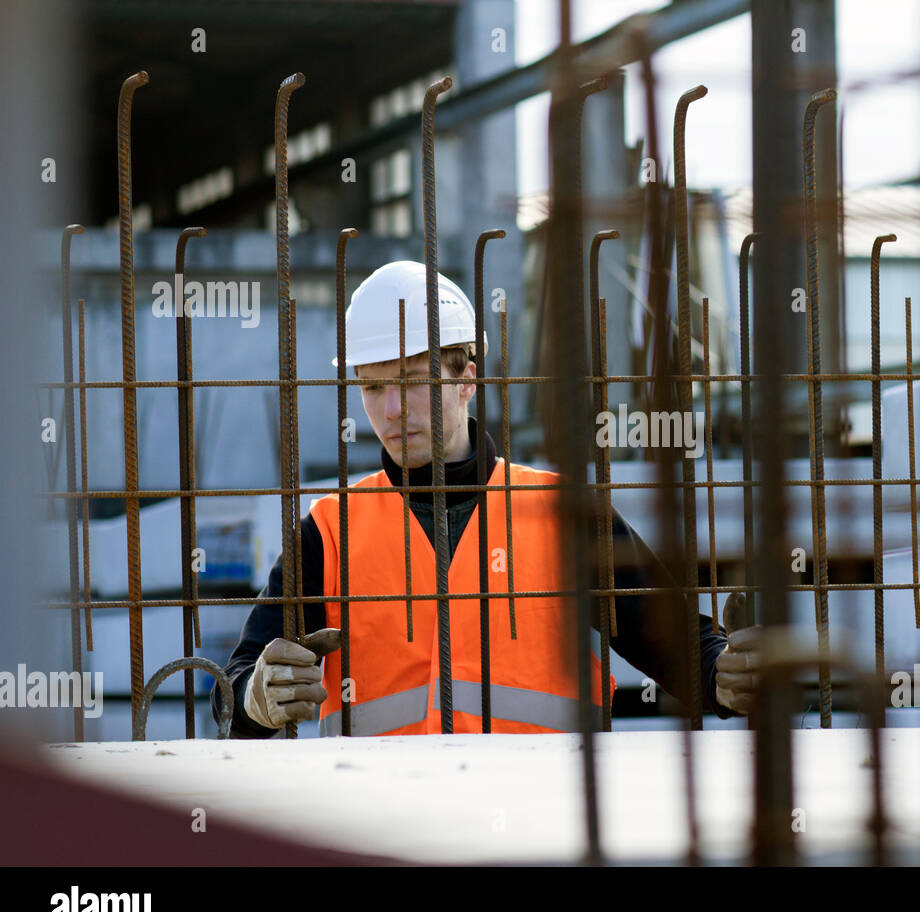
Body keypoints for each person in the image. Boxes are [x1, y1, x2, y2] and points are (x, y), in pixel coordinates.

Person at [215, 260, 759, 737]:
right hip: (384, 826)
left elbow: (675, 640)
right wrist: (256, 700)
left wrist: (724, 677)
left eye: (411, 380)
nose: (390, 411)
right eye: (372, 386)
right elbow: (236, 685)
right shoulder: (329, 533)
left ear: (467, 380)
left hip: (540, 825)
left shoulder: (561, 514)